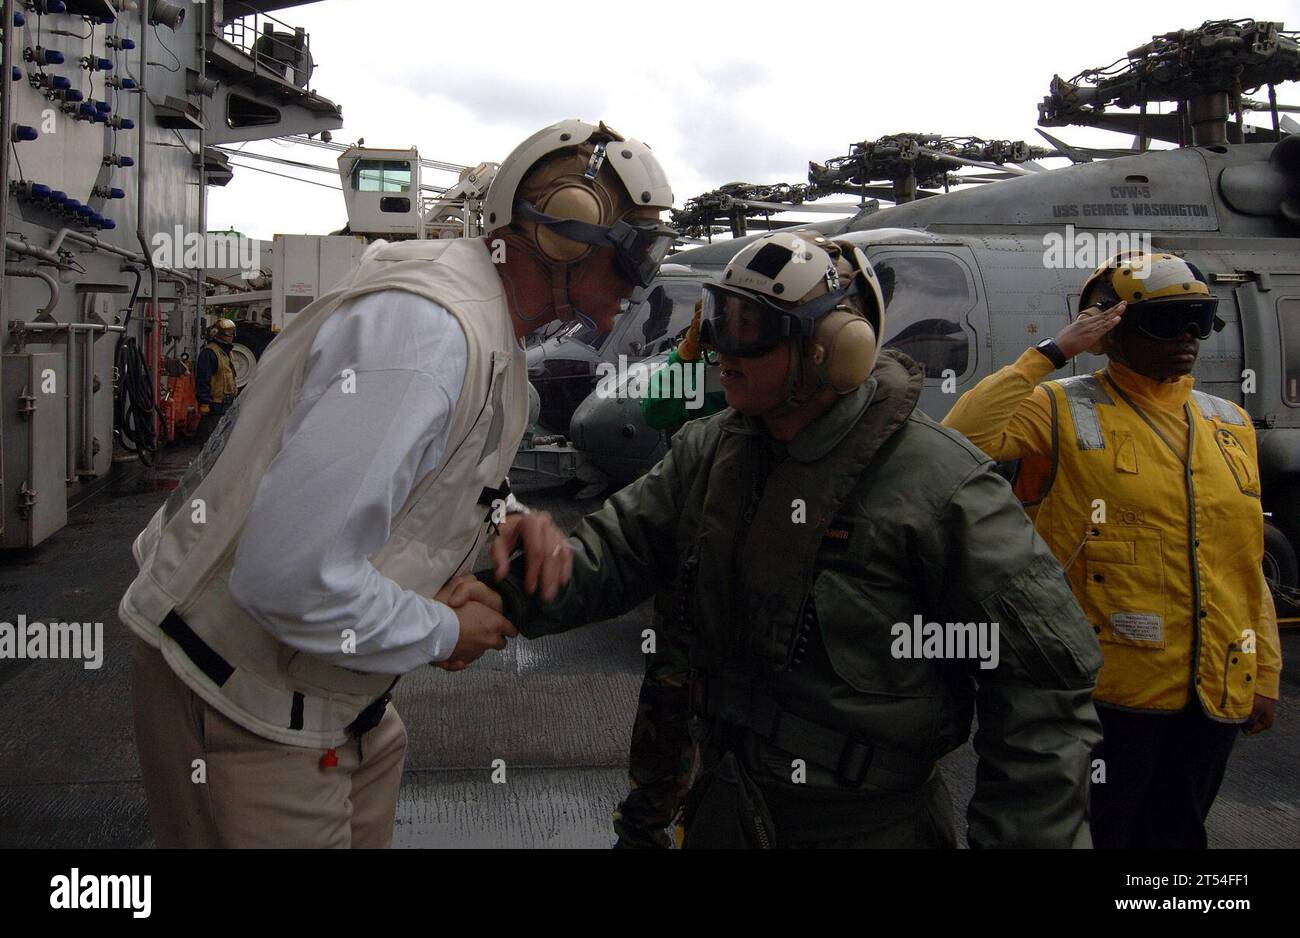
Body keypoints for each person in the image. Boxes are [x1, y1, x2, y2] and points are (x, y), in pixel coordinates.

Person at [118, 119, 676, 847]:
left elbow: (435, 473)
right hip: (243, 703)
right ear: (564, 238)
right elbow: (287, 576)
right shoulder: (427, 337)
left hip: (339, 701)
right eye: (634, 260)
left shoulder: (481, 328)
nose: (643, 285)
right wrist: (446, 630)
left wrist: (504, 518)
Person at [467, 230, 1104, 848]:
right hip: (724, 807)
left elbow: (1042, 691)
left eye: (749, 328)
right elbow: (614, 552)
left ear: (831, 349)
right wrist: (483, 597)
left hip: (864, 827)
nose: (719, 350)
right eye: (719, 319)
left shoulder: (941, 483)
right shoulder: (713, 451)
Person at [942, 252, 1282, 849]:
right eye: (1166, 322)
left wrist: (1266, 671)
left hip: (1212, 691)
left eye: (1197, 321)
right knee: (1095, 834)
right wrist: (1052, 351)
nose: (1186, 339)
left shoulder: (1227, 422)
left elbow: (1244, 561)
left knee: (1178, 841)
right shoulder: (1059, 407)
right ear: (1109, 331)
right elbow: (960, 437)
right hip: (1105, 695)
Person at [614, 300, 726, 848]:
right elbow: (658, 410)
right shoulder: (715, 381)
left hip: (753, 593)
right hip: (690, 583)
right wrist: (690, 351)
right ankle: (647, 825)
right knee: (667, 716)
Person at [194, 318, 238, 445]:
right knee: (210, 440)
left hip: (227, 403)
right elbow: (203, 379)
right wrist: (204, 402)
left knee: (223, 440)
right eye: (228, 333)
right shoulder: (209, 353)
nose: (232, 336)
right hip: (214, 405)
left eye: (233, 332)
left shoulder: (227, 352)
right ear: (217, 333)